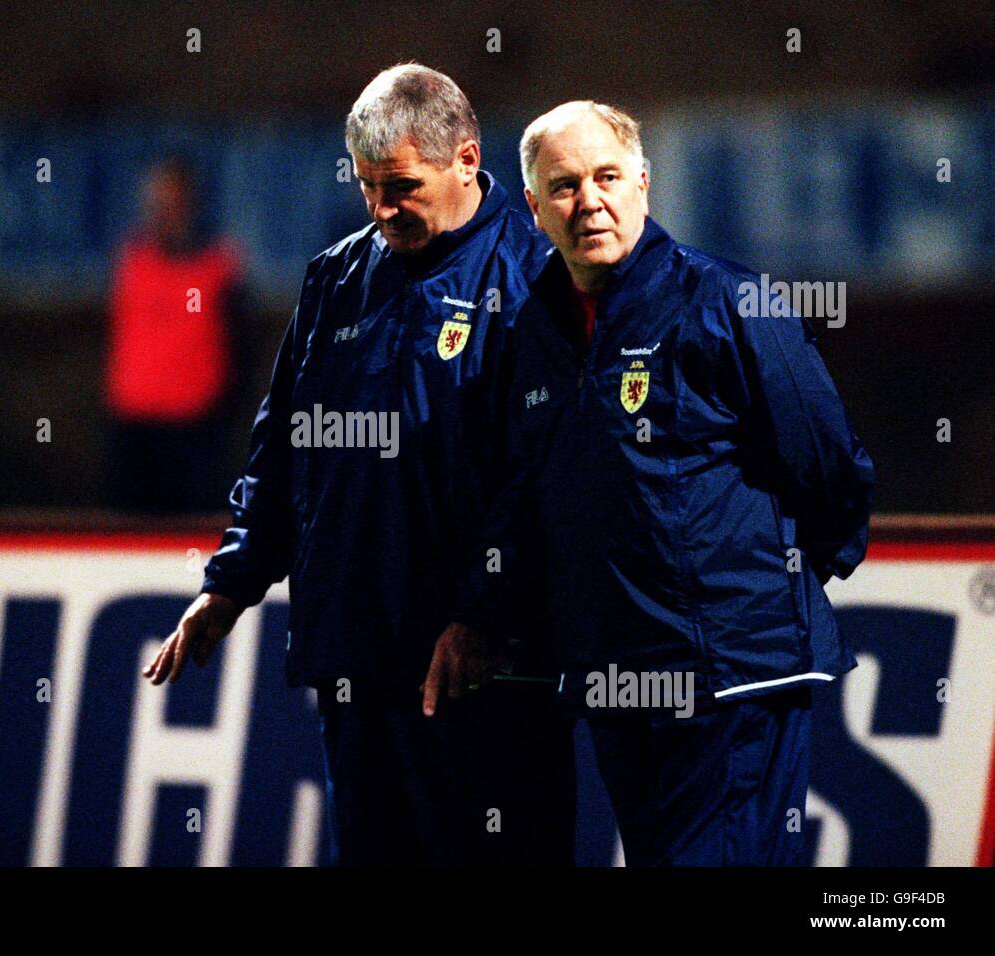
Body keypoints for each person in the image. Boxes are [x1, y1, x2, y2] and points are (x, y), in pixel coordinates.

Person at [143, 64, 574, 865]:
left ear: (468, 160)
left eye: (402, 185)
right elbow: (284, 450)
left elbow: (546, 474)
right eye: (368, 186)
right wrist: (232, 583)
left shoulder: (535, 281)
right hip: (358, 662)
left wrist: (485, 613)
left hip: (481, 672)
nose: (382, 209)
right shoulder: (337, 280)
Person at [455, 101, 875, 866]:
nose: (590, 201)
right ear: (534, 210)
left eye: (608, 176)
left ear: (644, 184)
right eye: (565, 186)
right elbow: (523, 494)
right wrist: (483, 613)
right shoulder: (529, 333)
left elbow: (827, 463)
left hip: (731, 677)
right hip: (616, 683)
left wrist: (762, 587)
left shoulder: (728, 303)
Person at [103, 156, 249, 513]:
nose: (165, 208)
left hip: (195, 428)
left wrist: (227, 410)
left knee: (190, 531)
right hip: (134, 425)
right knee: (127, 533)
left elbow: (241, 346)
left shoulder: (220, 264)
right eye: (158, 198)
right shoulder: (132, 259)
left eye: (175, 197)